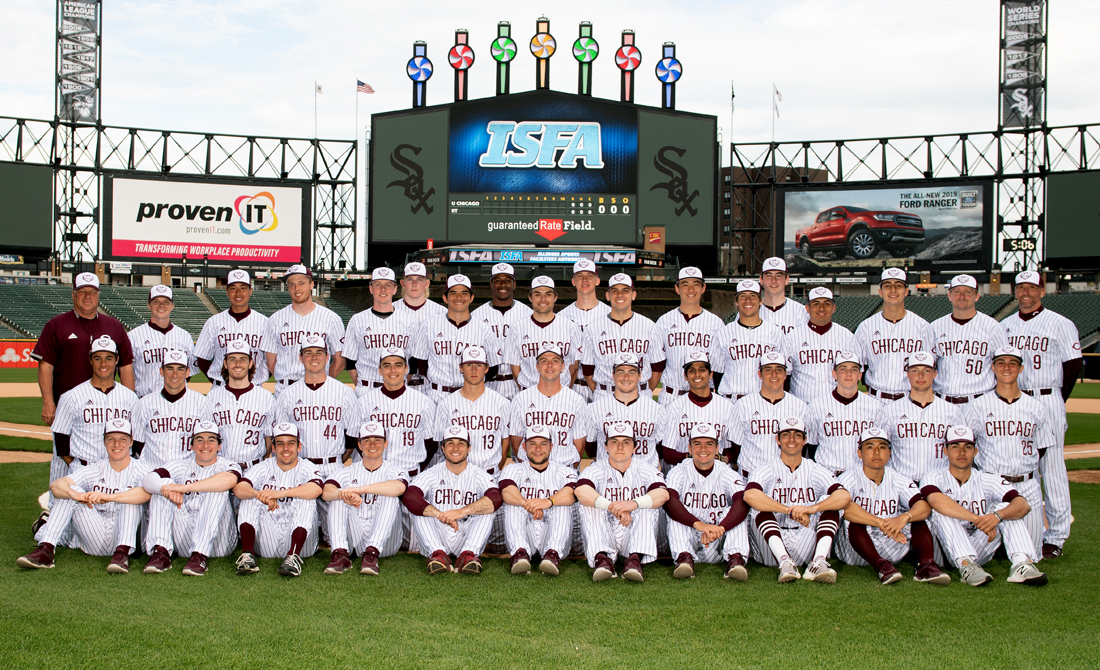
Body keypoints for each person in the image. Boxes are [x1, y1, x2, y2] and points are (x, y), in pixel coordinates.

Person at [31, 272, 134, 528]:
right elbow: (46, 366)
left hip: (107, 410)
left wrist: (131, 404)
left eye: (93, 292)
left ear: (99, 295)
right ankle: (53, 516)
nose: (88, 296)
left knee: (107, 463)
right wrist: (48, 402)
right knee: (63, 463)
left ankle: (103, 512)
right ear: (73, 294)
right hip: (69, 410)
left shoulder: (113, 326)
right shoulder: (57, 324)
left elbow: (126, 368)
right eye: (82, 292)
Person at [1000, 270, 1081, 559]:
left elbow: (1073, 364)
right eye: (1021, 287)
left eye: (1032, 288)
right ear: (1015, 291)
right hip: (1016, 402)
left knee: (1052, 469)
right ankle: (1012, 528)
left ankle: (1056, 537)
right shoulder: (1005, 326)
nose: (1026, 293)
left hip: (1047, 398)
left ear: (1042, 292)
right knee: (1015, 463)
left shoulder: (1060, 323)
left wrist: (1058, 399)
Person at [920, 425, 1047, 586]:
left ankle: (1021, 564)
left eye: (967, 447)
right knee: (941, 511)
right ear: (945, 451)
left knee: (1006, 508)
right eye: (955, 447)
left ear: (975, 451)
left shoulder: (988, 479)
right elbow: (936, 501)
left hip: (979, 547)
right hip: (943, 550)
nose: (961, 452)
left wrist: (997, 517)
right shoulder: (934, 476)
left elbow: (1023, 505)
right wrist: (980, 520)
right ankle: (965, 566)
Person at [18, 419, 150, 574]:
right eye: (111, 439)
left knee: (129, 500)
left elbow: (145, 493)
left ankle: (122, 554)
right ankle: (46, 550)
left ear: (131, 442)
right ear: (104, 441)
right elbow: (56, 485)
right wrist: (74, 493)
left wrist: (108, 497)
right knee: (70, 491)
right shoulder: (95, 468)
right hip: (95, 531)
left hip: (127, 535)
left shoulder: (143, 469)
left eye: (122, 439)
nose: (116, 444)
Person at [962, 345, 1056, 558]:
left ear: (1021, 368)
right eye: (1001, 363)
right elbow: (965, 448)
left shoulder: (1037, 408)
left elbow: (1040, 449)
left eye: (1012, 363)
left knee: (1032, 555)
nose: (1007, 368)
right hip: (991, 485)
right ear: (993, 367)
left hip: (1027, 486)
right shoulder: (977, 406)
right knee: (980, 552)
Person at [835, 428, 950, 585]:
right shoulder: (848, 477)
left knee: (918, 518)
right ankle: (879, 565)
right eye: (870, 447)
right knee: (853, 521)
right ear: (859, 453)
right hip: (856, 550)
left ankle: (926, 566)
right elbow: (846, 508)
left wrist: (904, 517)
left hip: (893, 540)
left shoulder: (898, 478)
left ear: (889, 453)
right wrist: (881, 523)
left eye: (882, 447)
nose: (877, 452)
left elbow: (923, 506)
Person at [743, 417, 851, 583]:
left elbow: (844, 496)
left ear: (805, 440)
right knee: (758, 504)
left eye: (797, 435)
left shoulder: (814, 469)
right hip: (771, 545)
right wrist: (789, 510)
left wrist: (811, 509)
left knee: (832, 501)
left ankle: (818, 562)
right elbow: (749, 495)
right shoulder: (765, 469)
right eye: (786, 434)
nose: (792, 439)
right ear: (777, 439)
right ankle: (785, 562)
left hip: (805, 538)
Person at [275, 335, 360, 539]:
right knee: (295, 531)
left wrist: (339, 458)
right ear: (300, 357)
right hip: (300, 469)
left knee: (340, 534)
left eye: (319, 352)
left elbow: (351, 436)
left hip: (333, 467)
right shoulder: (287, 394)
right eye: (308, 353)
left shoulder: (344, 393)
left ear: (328, 356)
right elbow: (280, 436)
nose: (314, 357)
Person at [141, 421, 242, 576]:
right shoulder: (179, 465)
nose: (205, 445)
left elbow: (229, 480)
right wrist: (165, 490)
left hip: (219, 541)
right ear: (192, 445)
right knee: (163, 486)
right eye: (199, 440)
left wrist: (184, 488)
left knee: (217, 489)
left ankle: (200, 555)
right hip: (185, 533)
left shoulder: (228, 464)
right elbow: (148, 479)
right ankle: (160, 552)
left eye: (211, 440)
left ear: (219, 446)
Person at [574, 422, 669, 582]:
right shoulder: (595, 469)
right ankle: (602, 559)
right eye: (614, 442)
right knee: (589, 504)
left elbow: (663, 494)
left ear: (634, 448)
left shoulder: (646, 469)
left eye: (626, 442)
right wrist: (611, 506)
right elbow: (580, 491)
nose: (620, 447)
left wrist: (632, 504)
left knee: (648, 503)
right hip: (604, 533)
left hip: (634, 534)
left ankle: (634, 560)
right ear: (605, 447)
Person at [401, 425, 503, 575]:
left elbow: (496, 498)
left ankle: (468, 555)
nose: (455, 448)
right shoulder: (433, 472)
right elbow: (410, 495)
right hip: (437, 532)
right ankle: (437, 554)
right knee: (421, 509)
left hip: (468, 533)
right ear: (442, 447)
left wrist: (461, 511)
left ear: (469, 448)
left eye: (461, 443)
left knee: (487, 508)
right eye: (450, 443)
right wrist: (439, 514)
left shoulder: (479, 474)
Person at [232, 423, 324, 577]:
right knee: (249, 497)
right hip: (268, 538)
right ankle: (247, 556)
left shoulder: (307, 467)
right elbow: (239, 489)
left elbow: (316, 489)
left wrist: (277, 494)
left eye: (291, 443)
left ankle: (293, 557)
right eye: (280, 444)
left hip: (303, 544)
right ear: (273, 448)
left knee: (306, 498)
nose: (285, 448)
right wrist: (258, 494)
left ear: (299, 447)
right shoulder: (264, 467)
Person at [664, 423, 751, 580]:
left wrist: (722, 528)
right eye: (697, 444)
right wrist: (699, 524)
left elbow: (743, 502)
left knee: (734, 509)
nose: (703, 449)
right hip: (689, 535)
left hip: (718, 539)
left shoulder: (726, 472)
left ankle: (735, 559)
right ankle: (684, 558)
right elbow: (669, 502)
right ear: (689, 449)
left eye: (709, 444)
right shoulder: (678, 471)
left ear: (717, 448)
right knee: (676, 511)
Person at [321, 421, 409, 576]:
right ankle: (340, 553)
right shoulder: (346, 471)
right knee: (339, 496)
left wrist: (358, 490)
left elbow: (399, 488)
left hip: (385, 543)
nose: (372, 444)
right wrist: (344, 494)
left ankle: (372, 552)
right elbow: (326, 492)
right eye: (367, 440)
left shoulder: (395, 471)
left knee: (391, 496)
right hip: (353, 539)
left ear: (385, 444)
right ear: (360, 445)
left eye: (377, 440)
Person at [49, 335, 139, 473]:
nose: (103, 364)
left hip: (121, 471)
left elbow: (138, 436)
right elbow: (61, 439)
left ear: (117, 360)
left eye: (109, 358)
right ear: (90, 360)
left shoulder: (130, 398)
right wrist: (74, 466)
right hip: (84, 469)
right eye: (98, 358)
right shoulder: (71, 397)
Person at [409, 274, 502, 404]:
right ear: (445, 298)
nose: (459, 297)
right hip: (437, 395)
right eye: (453, 293)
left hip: (471, 396)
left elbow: (492, 368)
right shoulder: (429, 326)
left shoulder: (484, 328)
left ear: (471, 298)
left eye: (464, 293)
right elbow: (421, 363)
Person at [498, 425, 578, 575]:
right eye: (532, 444)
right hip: (524, 531)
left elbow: (572, 493)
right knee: (513, 503)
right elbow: (506, 491)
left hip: (553, 532)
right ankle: (519, 553)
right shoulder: (513, 469)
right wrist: (527, 504)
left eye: (543, 444)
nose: (538, 449)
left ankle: (553, 554)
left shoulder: (565, 471)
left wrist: (548, 502)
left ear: (551, 446)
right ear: (524, 446)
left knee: (562, 504)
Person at [875, 351, 962, 482]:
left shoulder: (952, 412)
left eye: (926, 371)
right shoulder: (890, 411)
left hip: (940, 484)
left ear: (935, 374)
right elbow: (879, 450)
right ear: (908, 374)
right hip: (901, 485)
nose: (920, 376)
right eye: (915, 370)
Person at [263, 264, 346, 399]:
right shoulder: (275, 320)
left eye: (301, 283)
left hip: (319, 392)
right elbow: (271, 362)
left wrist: (320, 381)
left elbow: (339, 360)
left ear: (311, 284)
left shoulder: (331, 319)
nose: (297, 289)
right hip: (285, 391)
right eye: (292, 284)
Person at [581, 273, 666, 401]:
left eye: (625, 291)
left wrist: (641, 389)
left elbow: (658, 367)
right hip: (605, 395)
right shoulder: (592, 328)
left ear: (633, 295)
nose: (620, 295)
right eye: (615, 291)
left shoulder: (649, 326)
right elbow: (587, 370)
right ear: (608, 296)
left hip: (640, 394)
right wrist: (601, 390)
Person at [357, 347, 438, 478]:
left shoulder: (424, 402)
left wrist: (418, 466)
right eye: (387, 365)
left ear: (406, 369)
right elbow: (356, 439)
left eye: (398, 365)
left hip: (411, 476)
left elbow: (431, 443)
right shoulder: (364, 402)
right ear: (379, 370)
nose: (393, 370)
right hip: (375, 477)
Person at [854, 268, 933, 401]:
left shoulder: (923, 327)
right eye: (887, 286)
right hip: (876, 399)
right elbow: (857, 368)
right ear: (880, 291)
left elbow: (930, 368)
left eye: (898, 285)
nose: (893, 290)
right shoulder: (865, 327)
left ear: (906, 291)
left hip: (910, 399)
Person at [930, 274, 1008, 405]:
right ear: (949, 296)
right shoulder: (935, 327)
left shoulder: (993, 327)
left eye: (968, 292)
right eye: (957, 292)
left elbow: (1003, 367)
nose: (962, 296)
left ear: (977, 296)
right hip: (943, 402)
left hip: (981, 401)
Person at [728, 352, 810, 476]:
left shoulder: (800, 406)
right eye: (768, 370)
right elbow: (736, 445)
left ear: (785, 374)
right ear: (759, 374)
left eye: (779, 370)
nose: (774, 374)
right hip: (750, 476)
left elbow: (803, 446)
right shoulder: (742, 405)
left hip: (787, 478)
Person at [434, 346, 511, 477]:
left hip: (491, 475)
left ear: (486, 368)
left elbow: (505, 442)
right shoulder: (446, 404)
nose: (474, 370)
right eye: (469, 365)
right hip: (456, 475)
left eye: (479, 365)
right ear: (461, 368)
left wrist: (497, 467)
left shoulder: (502, 403)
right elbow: (441, 445)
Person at [131, 348, 214, 469]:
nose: (175, 374)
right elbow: (138, 443)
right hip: (151, 471)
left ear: (187, 372)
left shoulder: (202, 403)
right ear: (161, 371)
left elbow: (207, 443)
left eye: (180, 369)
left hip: (188, 473)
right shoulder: (144, 403)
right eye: (170, 369)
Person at [508, 344, 588, 468]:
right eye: (544, 361)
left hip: (565, 472)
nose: (549, 365)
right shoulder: (520, 399)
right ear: (537, 367)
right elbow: (516, 443)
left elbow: (580, 446)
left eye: (555, 361)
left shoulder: (576, 400)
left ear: (562, 367)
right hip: (530, 472)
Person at [342, 267, 417, 397]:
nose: (383, 289)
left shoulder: (410, 321)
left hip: (400, 390)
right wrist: (362, 384)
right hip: (367, 389)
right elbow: (350, 361)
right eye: (378, 284)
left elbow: (414, 361)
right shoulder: (357, 320)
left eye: (388, 285)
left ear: (395, 289)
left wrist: (401, 383)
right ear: (371, 288)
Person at [654, 267, 723, 407]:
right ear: (677, 288)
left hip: (704, 396)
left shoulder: (716, 323)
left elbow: (719, 368)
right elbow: (657, 363)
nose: (691, 289)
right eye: (685, 284)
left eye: (696, 284)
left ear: (703, 288)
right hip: (671, 396)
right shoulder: (664, 321)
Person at [585, 353, 667, 469]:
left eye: (632, 372)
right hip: (608, 477)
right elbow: (590, 447)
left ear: (639, 376)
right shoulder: (595, 408)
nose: (626, 377)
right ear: (613, 375)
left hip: (645, 477)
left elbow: (661, 447)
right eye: (621, 372)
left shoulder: (657, 410)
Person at [805, 353, 880, 476]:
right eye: (843, 369)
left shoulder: (875, 407)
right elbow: (811, 446)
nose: (848, 374)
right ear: (834, 374)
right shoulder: (817, 406)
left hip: (862, 475)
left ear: (860, 375)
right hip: (827, 475)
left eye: (854, 369)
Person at [708, 279, 785, 401]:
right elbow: (717, 372)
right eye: (742, 296)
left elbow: (784, 372)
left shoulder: (775, 332)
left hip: (765, 400)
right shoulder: (723, 333)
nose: (748, 300)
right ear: (736, 302)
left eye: (753, 296)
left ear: (761, 301)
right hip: (732, 400)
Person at [207, 339, 276, 473]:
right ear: (225, 364)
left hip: (253, 470)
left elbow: (268, 438)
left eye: (243, 359)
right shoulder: (212, 397)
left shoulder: (266, 397)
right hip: (218, 470)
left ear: (250, 363)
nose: (237, 364)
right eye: (232, 359)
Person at [658, 351, 736, 467]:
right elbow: (668, 454)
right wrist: (693, 457)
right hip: (685, 472)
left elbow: (734, 448)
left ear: (710, 374)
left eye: (702, 370)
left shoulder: (727, 407)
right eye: (692, 371)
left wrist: (724, 457)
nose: (697, 374)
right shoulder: (674, 408)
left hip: (719, 473)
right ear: (685, 376)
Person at [195, 269, 271, 388]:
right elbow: (202, 358)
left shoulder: (265, 323)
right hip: (221, 387)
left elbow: (272, 360)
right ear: (227, 292)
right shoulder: (213, 322)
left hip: (254, 389)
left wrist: (258, 378)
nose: (238, 293)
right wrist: (218, 379)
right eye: (233, 288)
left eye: (243, 288)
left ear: (250, 291)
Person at [506, 275, 581, 392]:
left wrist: (563, 391)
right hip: (528, 392)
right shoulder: (516, 328)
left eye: (548, 294)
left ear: (555, 297)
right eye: (537, 294)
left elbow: (574, 367)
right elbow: (515, 367)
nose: (543, 299)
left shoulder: (570, 327)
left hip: (561, 393)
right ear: (530, 297)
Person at [783, 286, 857, 403]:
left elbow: (855, 376)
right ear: (807, 308)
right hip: (801, 405)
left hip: (836, 405)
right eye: (816, 304)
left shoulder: (847, 337)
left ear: (834, 308)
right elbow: (784, 377)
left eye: (827, 304)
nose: (821, 308)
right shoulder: (791, 337)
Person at [472, 263, 531, 399]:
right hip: (488, 383)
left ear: (514, 284)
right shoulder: (477, 315)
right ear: (491, 284)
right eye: (497, 280)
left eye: (507, 280)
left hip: (519, 383)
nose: (503, 284)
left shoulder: (527, 313)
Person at [127, 284, 198, 397]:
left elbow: (188, 373)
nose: (161, 305)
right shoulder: (133, 336)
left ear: (172, 306)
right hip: (144, 401)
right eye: (156, 301)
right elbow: (126, 372)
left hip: (178, 402)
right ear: (148, 305)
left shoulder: (184, 336)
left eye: (166, 301)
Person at [559, 258, 610, 401]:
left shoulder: (610, 314)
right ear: (573, 281)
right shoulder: (562, 316)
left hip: (602, 387)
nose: (585, 280)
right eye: (580, 276)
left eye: (590, 276)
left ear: (597, 281)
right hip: (571, 386)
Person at [758, 257, 808, 335]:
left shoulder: (801, 312)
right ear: (761, 279)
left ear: (787, 279)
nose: (773, 280)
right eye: (769, 275)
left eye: (779, 276)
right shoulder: (750, 311)